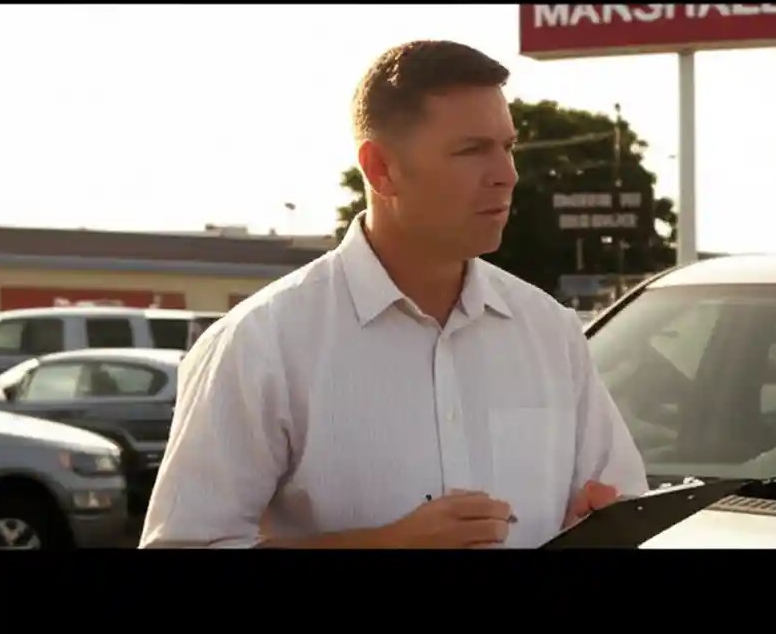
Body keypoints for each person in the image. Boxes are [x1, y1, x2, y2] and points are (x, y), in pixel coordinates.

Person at [139, 39, 648, 549]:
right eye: (471, 150)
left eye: (507, 147)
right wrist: (383, 545)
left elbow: (623, 504)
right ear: (380, 168)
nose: (507, 175)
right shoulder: (259, 344)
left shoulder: (550, 332)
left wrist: (597, 527)